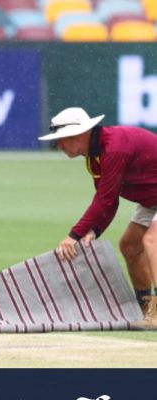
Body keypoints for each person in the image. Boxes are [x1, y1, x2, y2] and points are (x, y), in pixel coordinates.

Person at [39, 107, 157, 328]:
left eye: (61, 139)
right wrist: (94, 231)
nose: (58, 145)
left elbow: (104, 199)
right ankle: (146, 307)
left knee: (151, 240)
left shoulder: (115, 148)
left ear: (78, 135)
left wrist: (73, 235)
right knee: (129, 246)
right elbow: (109, 202)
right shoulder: (94, 157)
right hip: (151, 197)